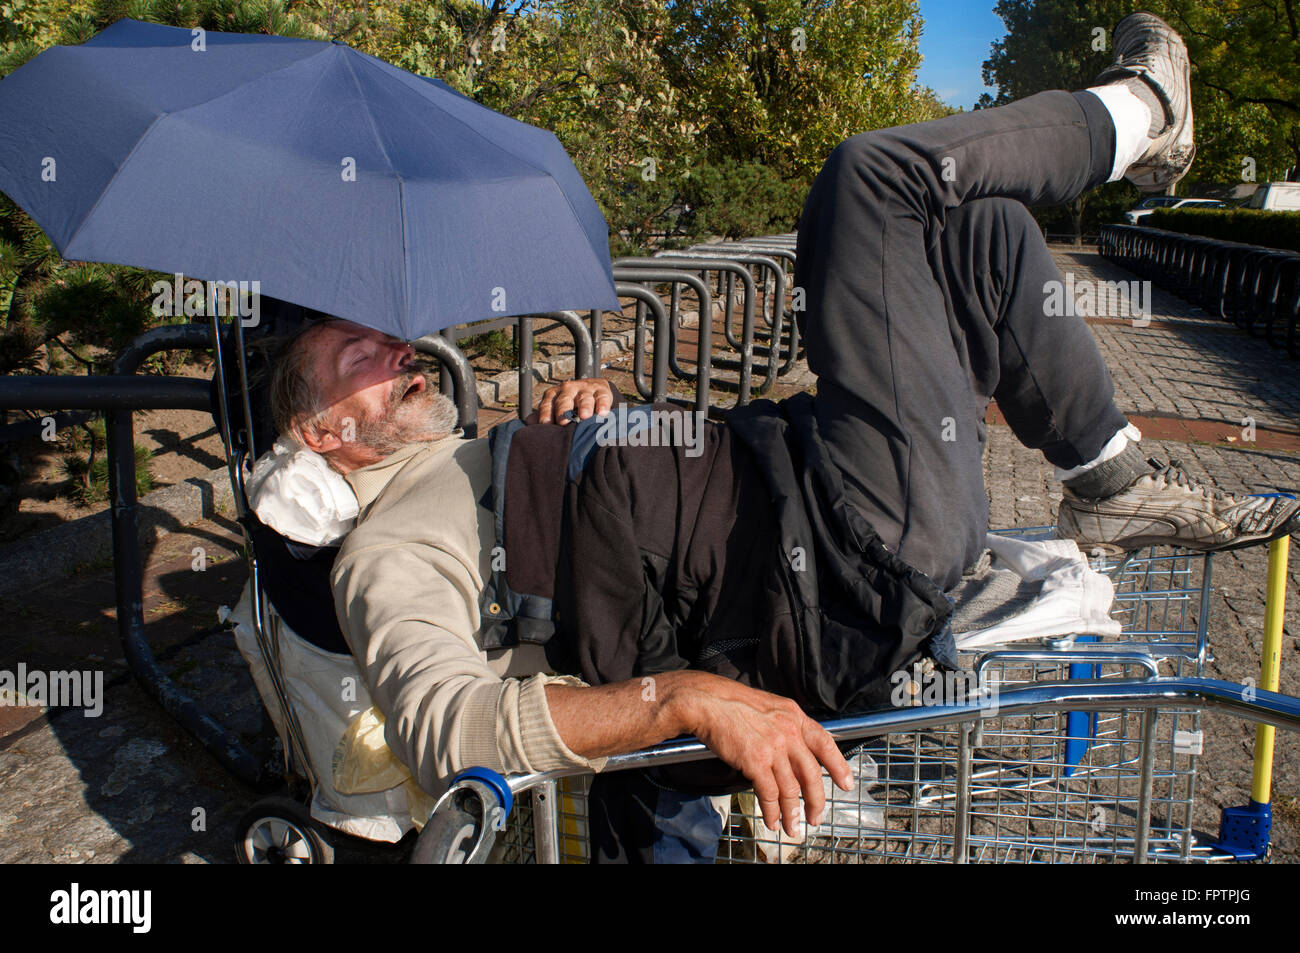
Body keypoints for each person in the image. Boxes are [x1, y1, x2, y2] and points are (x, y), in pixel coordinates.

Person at [268, 13, 1299, 862]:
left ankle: (1105, 476)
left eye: (387, 334)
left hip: (806, 474)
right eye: (354, 351)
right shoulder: (387, 544)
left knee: (984, 231)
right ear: (320, 432)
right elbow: (444, 726)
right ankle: (1143, 111)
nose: (397, 347)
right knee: (873, 181)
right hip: (844, 558)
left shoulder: (478, 455)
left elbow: (628, 499)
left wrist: (594, 419)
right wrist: (682, 698)